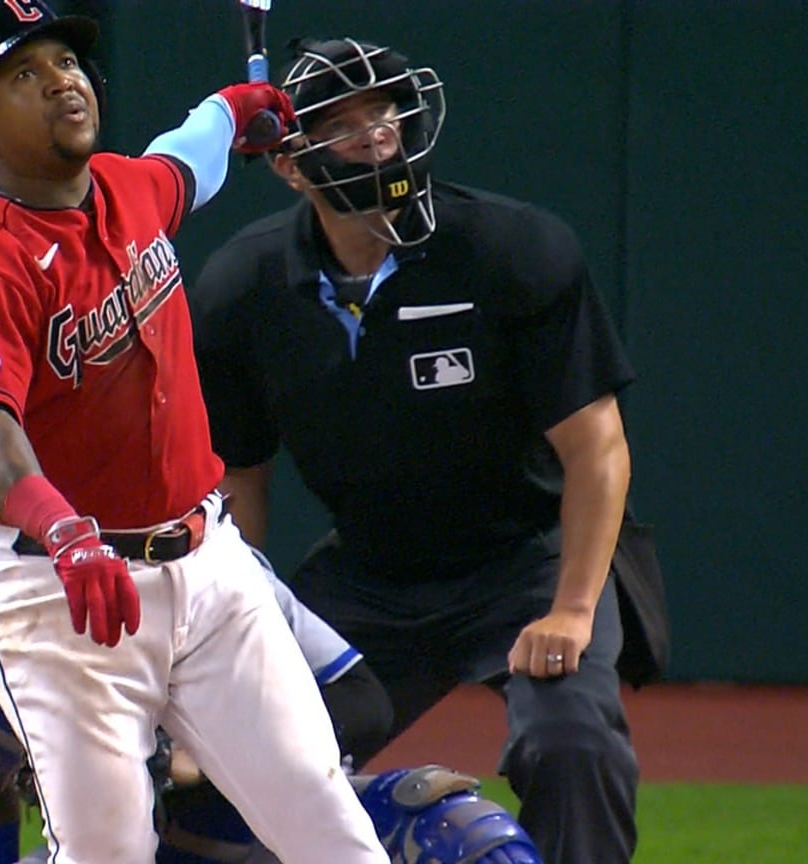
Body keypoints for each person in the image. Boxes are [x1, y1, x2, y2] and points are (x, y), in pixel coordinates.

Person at [0, 2, 388, 861]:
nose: (61, 80)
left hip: (209, 570)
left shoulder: (130, 188)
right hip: (62, 596)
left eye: (66, 61)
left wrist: (236, 110)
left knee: (329, 827)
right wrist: (63, 529)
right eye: (24, 73)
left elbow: (189, 155)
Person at [188, 37, 643, 863]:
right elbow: (238, 479)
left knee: (571, 742)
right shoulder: (242, 288)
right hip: (369, 574)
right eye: (341, 124)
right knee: (220, 756)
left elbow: (598, 449)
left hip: (527, 562)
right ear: (289, 166)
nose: (374, 134)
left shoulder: (513, 248)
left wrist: (573, 610)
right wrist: (230, 635)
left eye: (385, 111)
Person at [0, 553, 542, 864]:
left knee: (469, 839)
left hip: (268, 832)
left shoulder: (213, 572)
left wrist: (202, 760)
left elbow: (359, 703)